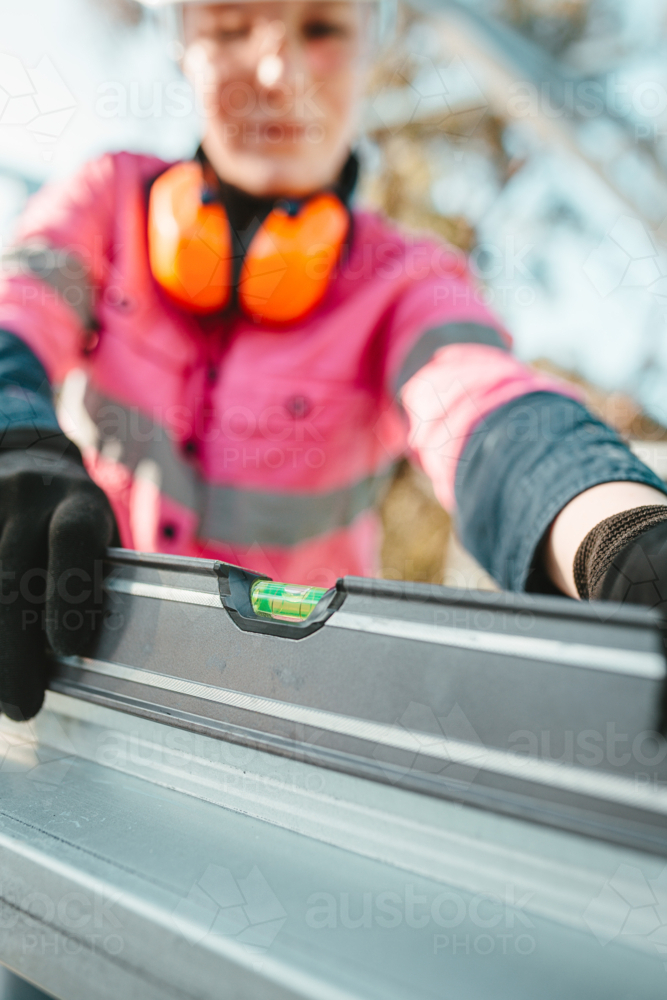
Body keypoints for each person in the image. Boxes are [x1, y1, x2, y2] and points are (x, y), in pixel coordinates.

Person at [1, 0, 666, 721]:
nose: (275, 70)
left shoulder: (407, 280)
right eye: (229, 27)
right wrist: (16, 443)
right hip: (76, 694)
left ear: (369, 49)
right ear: (182, 44)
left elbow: (493, 418)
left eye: (320, 29)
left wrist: (621, 539)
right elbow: (16, 314)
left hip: (298, 727)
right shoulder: (106, 201)